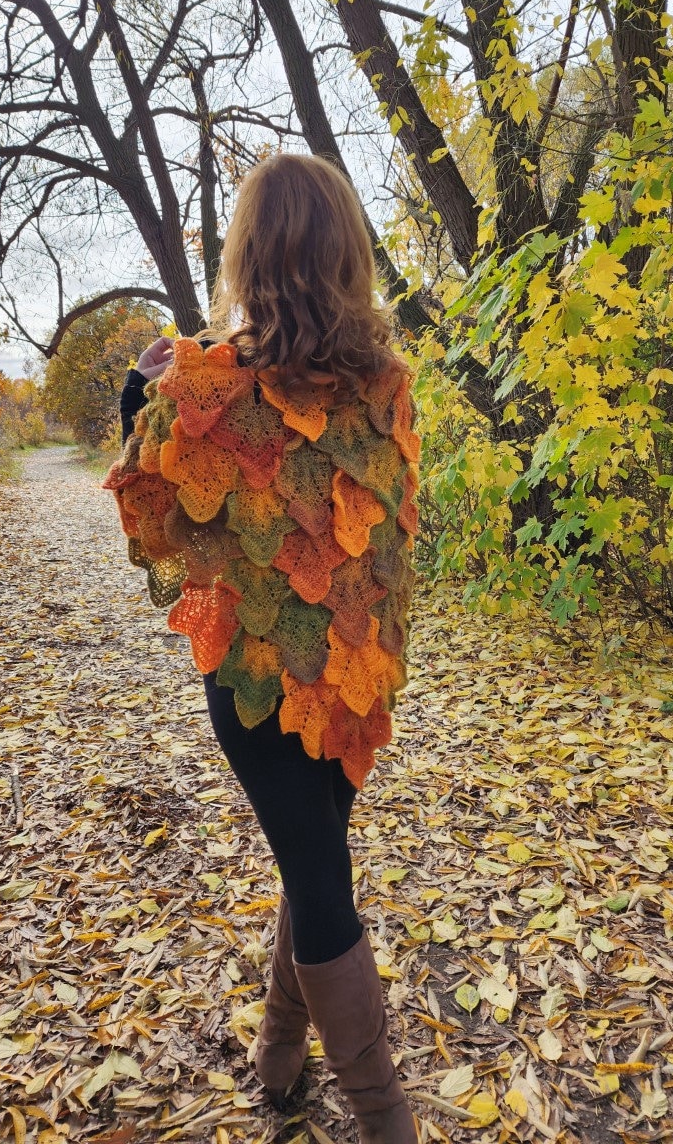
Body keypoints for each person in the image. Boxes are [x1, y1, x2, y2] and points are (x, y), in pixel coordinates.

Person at [105, 153, 420, 1144]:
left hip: (280, 680)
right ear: (345, 249)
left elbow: (149, 505)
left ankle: (303, 1066)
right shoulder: (385, 383)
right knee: (318, 863)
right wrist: (157, 394)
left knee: (314, 868)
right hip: (339, 672)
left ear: (249, 253)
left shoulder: (209, 381)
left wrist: (137, 392)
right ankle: (352, 1097)